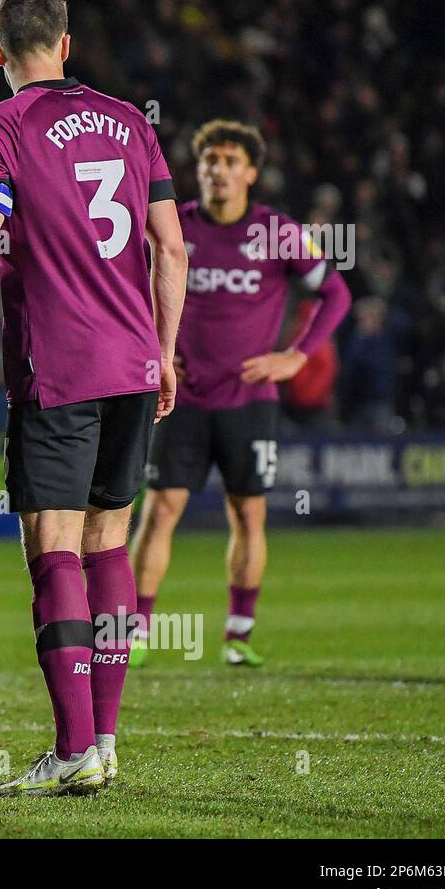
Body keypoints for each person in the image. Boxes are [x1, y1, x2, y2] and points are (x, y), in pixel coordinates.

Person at [0, 0, 187, 796]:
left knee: (52, 551)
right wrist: (167, 352)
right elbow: (170, 250)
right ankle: (103, 741)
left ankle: (74, 747)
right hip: (134, 363)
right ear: (67, 45)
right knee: (108, 544)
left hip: (61, 368)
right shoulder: (132, 121)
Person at [129, 121, 351, 668]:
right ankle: (134, 632)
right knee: (158, 513)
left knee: (248, 515)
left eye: (230, 161)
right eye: (210, 161)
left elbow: (336, 292)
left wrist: (295, 355)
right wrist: (155, 348)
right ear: (198, 171)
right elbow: (128, 288)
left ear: (250, 172)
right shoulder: (173, 227)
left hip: (249, 401)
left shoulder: (277, 232)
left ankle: (238, 632)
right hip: (180, 397)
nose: (218, 170)